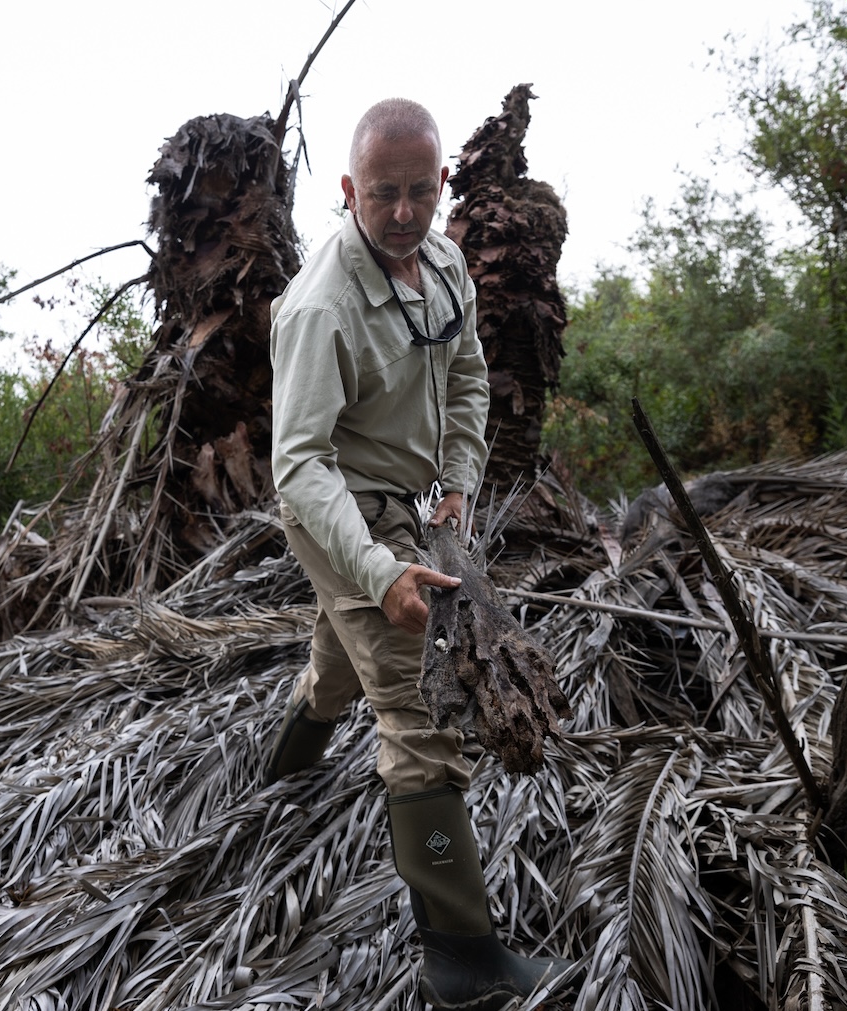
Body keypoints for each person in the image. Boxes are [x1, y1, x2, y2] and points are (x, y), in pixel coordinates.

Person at [266, 98, 571, 1010]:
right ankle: (462, 958)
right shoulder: (322, 305)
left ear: (441, 184)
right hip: (339, 513)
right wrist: (378, 571)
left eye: (418, 192)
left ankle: (288, 759)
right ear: (351, 190)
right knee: (421, 708)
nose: (403, 212)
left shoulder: (442, 262)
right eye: (382, 195)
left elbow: (468, 373)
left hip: (420, 503)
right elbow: (298, 466)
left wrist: (459, 481)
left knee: (342, 658)